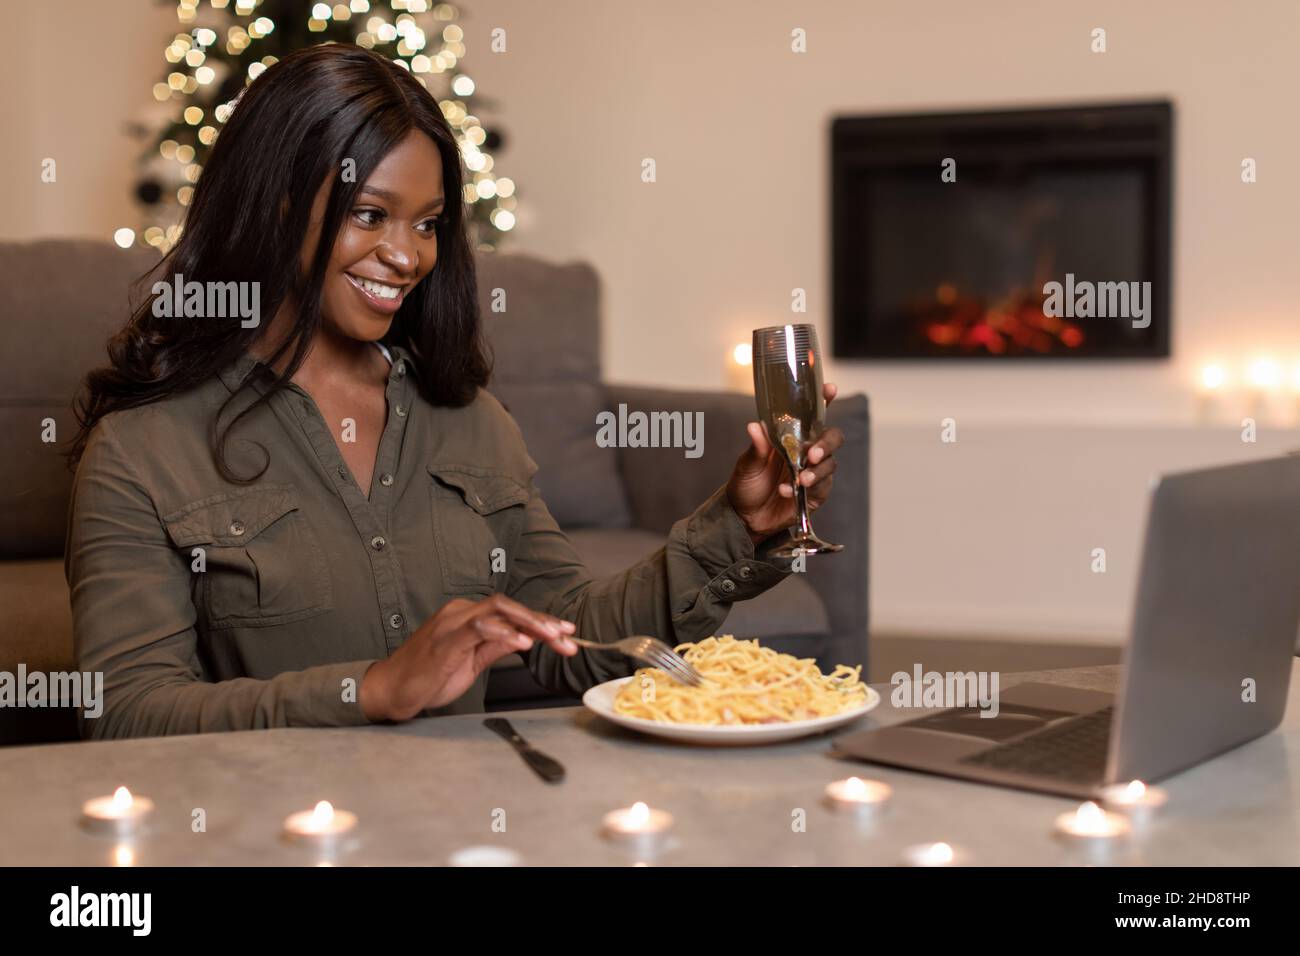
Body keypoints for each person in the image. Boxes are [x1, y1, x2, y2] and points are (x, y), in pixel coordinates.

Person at [65, 44, 843, 739]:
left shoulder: (467, 419)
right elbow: (127, 712)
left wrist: (737, 526)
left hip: (464, 825)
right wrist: (369, 689)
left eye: (429, 223)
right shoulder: (145, 446)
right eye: (370, 214)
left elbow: (570, 643)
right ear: (273, 207)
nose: (406, 256)